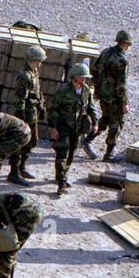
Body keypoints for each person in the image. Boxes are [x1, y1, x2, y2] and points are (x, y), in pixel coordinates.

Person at [46, 62, 98, 196]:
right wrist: (53, 127)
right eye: (82, 77)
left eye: (85, 77)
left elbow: (91, 107)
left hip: (78, 127)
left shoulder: (86, 90)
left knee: (71, 153)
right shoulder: (63, 90)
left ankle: (62, 175)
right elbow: (53, 110)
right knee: (61, 153)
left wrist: (95, 123)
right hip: (63, 126)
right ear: (74, 77)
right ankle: (61, 183)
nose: (84, 79)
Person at [85, 30, 131, 161]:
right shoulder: (122, 60)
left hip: (103, 94)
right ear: (126, 43)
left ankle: (88, 139)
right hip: (114, 98)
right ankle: (109, 153)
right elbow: (121, 85)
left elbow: (94, 70)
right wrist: (124, 103)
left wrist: (98, 90)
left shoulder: (106, 52)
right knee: (116, 123)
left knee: (105, 118)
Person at [11, 45, 46, 181]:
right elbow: (20, 99)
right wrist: (22, 117)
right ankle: (14, 172)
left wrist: (42, 107)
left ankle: (22, 167)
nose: (40, 63)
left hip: (33, 112)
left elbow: (38, 92)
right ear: (33, 60)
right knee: (21, 142)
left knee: (32, 141)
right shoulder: (25, 76)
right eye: (39, 60)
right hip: (25, 114)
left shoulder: (34, 72)